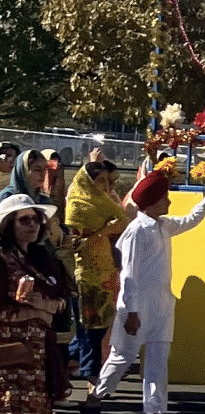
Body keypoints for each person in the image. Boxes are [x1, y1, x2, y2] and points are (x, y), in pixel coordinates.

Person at [85, 169, 205, 414]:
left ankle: (158, 413)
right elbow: (128, 275)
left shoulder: (162, 225)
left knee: (159, 360)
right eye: (164, 198)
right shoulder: (137, 231)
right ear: (151, 202)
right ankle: (94, 399)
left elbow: (191, 220)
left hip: (162, 304)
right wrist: (132, 311)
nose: (169, 202)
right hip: (137, 306)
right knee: (122, 357)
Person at [0, 195, 72, 414]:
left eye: (34, 220)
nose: (31, 225)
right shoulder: (2, 259)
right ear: (8, 224)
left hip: (39, 353)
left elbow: (62, 303)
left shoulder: (44, 259)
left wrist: (41, 304)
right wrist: (28, 307)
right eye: (22, 220)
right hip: (7, 353)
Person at [66, 161, 129, 397]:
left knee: (98, 331)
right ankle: (92, 392)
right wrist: (104, 231)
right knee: (91, 334)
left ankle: (66, 367)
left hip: (107, 271)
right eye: (99, 181)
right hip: (87, 276)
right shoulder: (77, 205)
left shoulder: (106, 202)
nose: (104, 185)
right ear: (88, 181)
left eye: (106, 181)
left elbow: (124, 223)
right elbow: (74, 245)